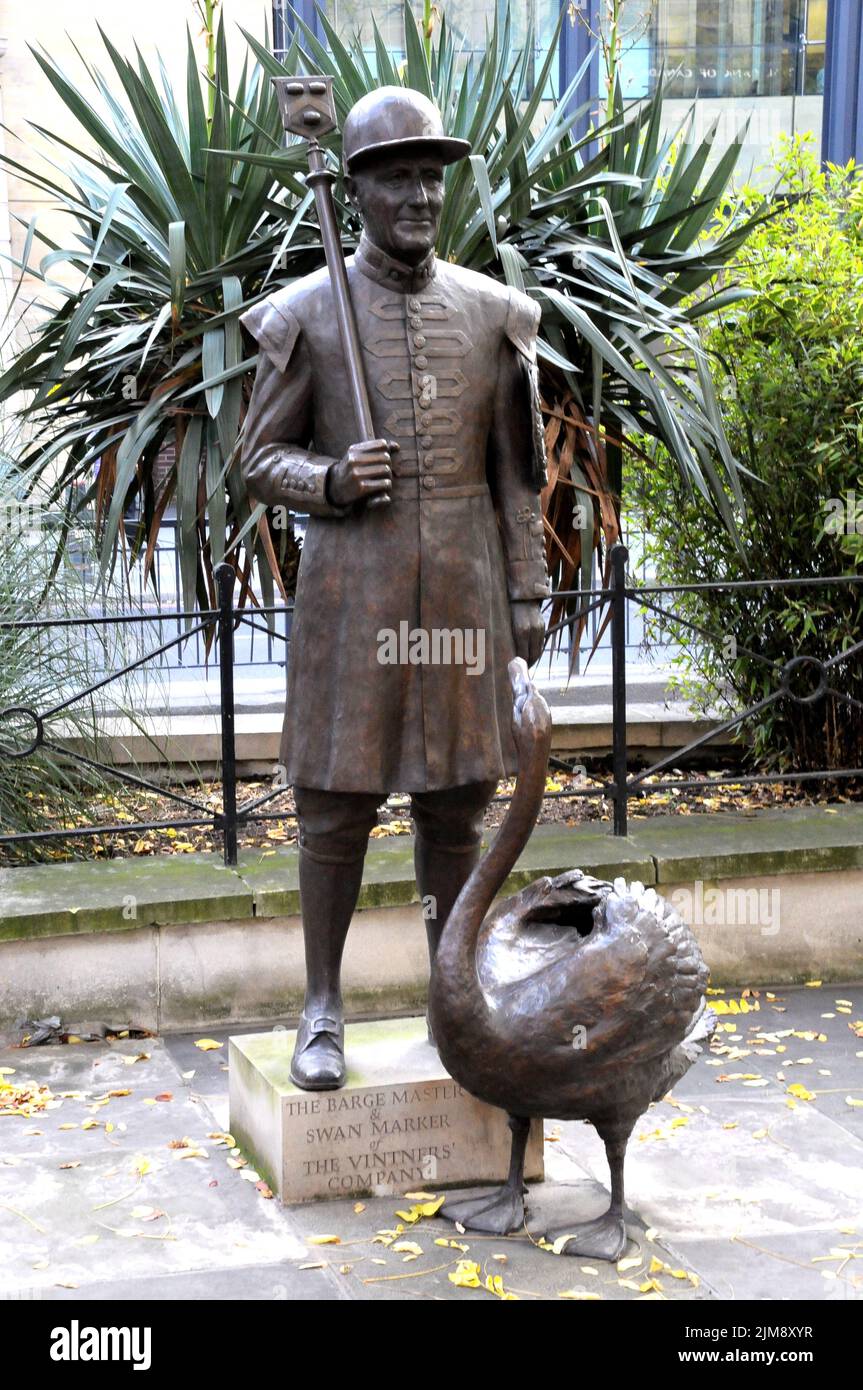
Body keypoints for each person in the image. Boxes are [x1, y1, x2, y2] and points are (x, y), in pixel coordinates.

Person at [240, 86, 549, 1089]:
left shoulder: (494, 313)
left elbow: (517, 474)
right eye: (397, 178)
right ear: (358, 190)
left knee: (454, 808)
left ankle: (446, 996)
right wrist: (329, 479)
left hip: (461, 599)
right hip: (351, 603)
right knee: (334, 808)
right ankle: (322, 1006)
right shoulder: (303, 315)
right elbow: (257, 457)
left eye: (431, 177)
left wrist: (525, 594)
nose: (418, 195)